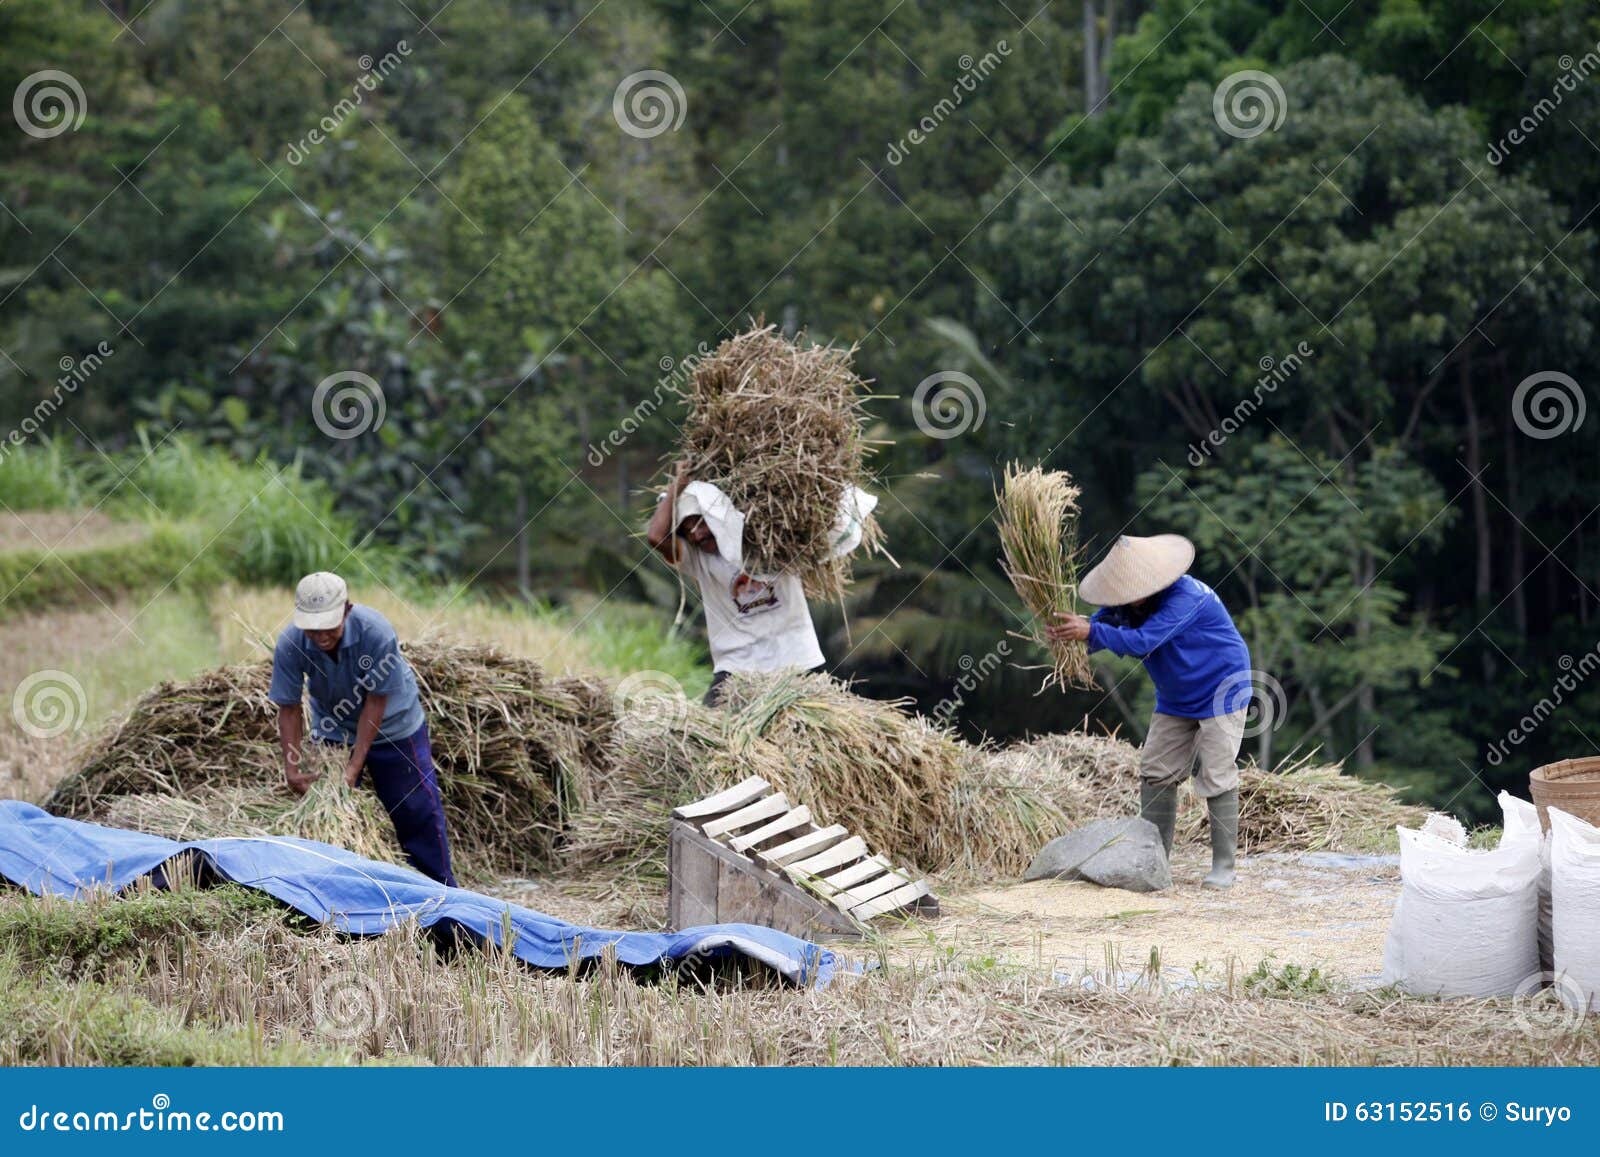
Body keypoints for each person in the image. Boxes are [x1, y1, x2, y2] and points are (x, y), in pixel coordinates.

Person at [1046, 534, 1251, 889]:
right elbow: (1103, 625)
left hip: (1222, 689)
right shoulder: (1127, 603)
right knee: (1156, 771)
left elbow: (1144, 640)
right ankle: (1155, 862)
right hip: (1176, 696)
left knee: (1216, 773)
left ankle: (1223, 867)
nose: (1122, 598)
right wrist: (1072, 636)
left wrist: (1091, 631)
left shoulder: (1187, 598)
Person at [268, 572, 457, 886]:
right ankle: (344, 890)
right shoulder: (291, 643)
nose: (320, 635)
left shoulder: (375, 632)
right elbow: (288, 707)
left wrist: (354, 767)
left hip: (395, 728)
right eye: (312, 628)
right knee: (331, 810)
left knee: (415, 809)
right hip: (334, 729)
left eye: (328, 625)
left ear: (346, 609)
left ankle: (439, 891)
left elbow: (376, 700)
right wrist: (292, 767)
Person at [645, 464, 826, 706]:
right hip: (737, 667)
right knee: (708, 734)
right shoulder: (698, 559)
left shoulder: (774, 539)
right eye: (687, 531)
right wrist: (678, 485)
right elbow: (656, 537)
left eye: (700, 523)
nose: (697, 535)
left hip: (795, 658)